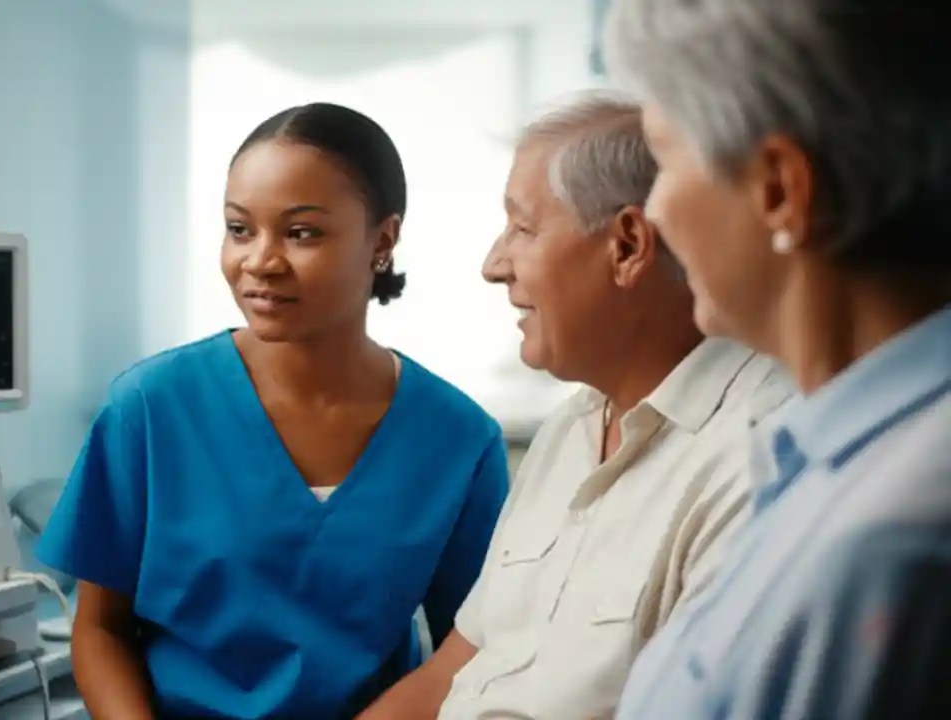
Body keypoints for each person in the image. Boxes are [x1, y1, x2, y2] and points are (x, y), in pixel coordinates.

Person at [36, 102, 510, 719]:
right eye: (239, 229)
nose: (260, 260)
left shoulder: (457, 440)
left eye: (301, 232)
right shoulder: (150, 408)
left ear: (382, 241)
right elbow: (100, 632)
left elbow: (469, 646)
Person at [359, 90, 793, 720]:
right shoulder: (571, 428)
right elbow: (456, 668)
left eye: (523, 228)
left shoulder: (758, 459)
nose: (493, 264)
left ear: (626, 246)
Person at [601, 1, 951, 718]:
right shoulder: (832, 455)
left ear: (779, 189)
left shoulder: (889, 546)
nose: (653, 211)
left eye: (663, 160)